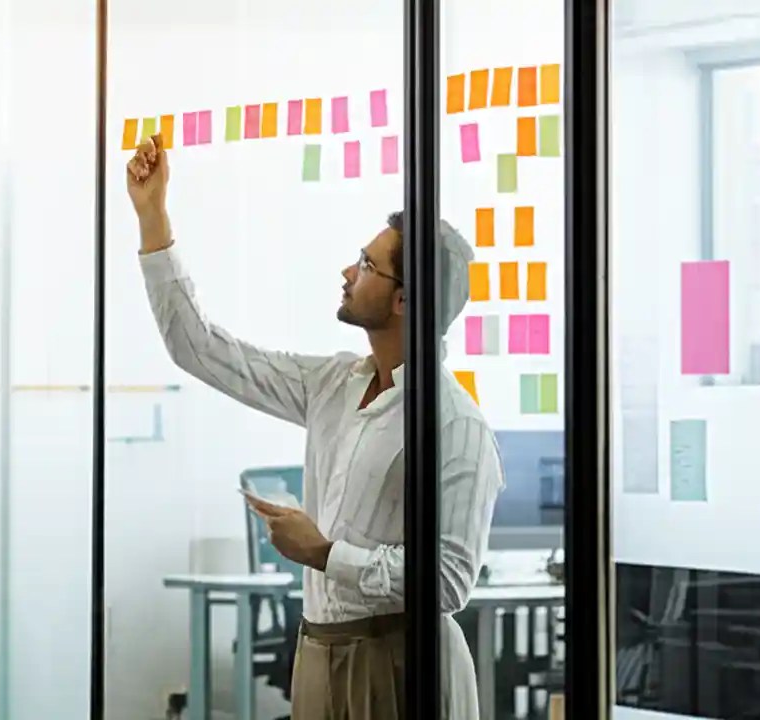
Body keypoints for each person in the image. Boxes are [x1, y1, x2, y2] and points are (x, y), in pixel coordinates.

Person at [126, 135, 503, 719]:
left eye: (368, 265)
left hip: (403, 661)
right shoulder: (332, 384)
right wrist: (153, 220)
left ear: (404, 301)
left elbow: (449, 580)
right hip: (317, 652)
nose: (348, 271)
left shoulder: (455, 423)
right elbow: (199, 348)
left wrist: (327, 553)